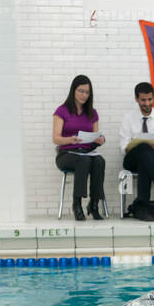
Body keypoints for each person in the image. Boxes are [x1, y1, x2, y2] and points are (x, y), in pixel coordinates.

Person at [118, 81, 154, 221]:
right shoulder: (128, 118)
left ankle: (142, 208)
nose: (147, 103)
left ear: (153, 97)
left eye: (150, 99)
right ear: (136, 99)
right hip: (132, 159)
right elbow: (123, 148)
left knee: (146, 159)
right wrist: (137, 144)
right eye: (143, 100)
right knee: (143, 148)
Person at [53, 74, 107, 221]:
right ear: (73, 91)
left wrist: (99, 140)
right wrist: (71, 139)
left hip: (86, 153)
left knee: (99, 161)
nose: (84, 95)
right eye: (81, 91)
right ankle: (77, 205)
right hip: (66, 154)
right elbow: (55, 138)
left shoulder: (92, 113)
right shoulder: (62, 111)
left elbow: (95, 136)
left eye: (87, 92)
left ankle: (94, 204)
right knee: (83, 161)